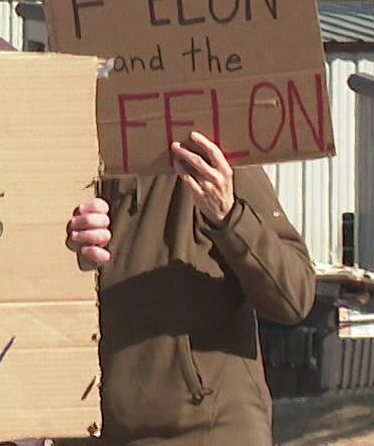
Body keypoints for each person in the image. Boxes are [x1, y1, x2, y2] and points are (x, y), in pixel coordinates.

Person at [67, 133, 314, 444]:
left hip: (207, 431)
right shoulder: (75, 160)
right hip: (93, 429)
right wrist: (67, 242)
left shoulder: (215, 158)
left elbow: (294, 297)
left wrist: (228, 216)